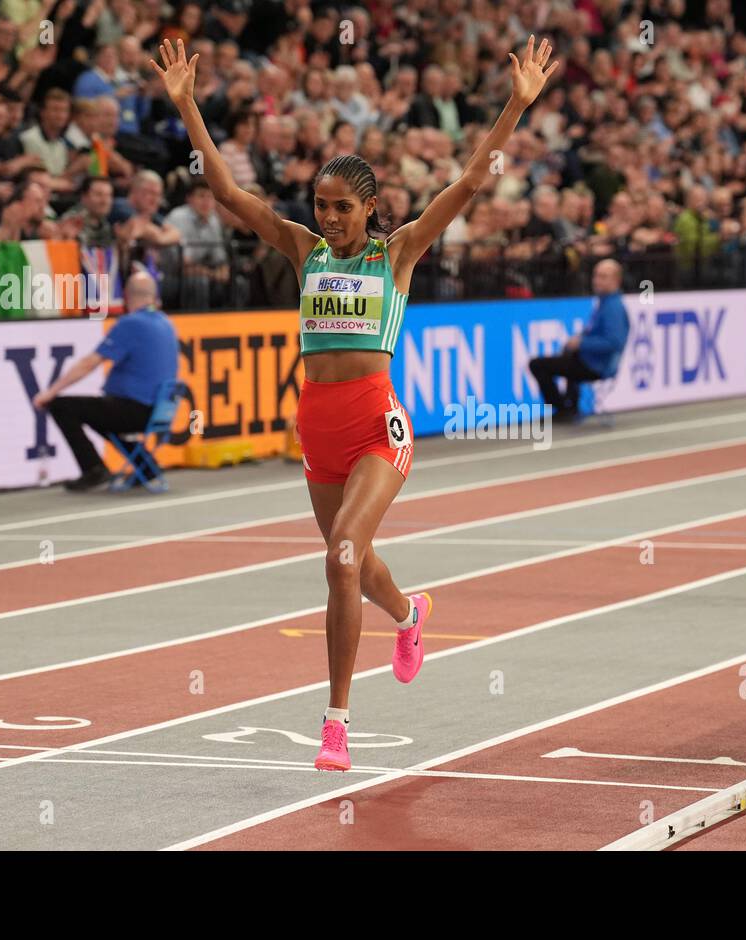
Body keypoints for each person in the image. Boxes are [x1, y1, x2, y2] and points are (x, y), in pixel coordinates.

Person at [152, 34, 558, 772]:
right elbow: (227, 192)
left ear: (370, 209)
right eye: (320, 206)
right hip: (319, 425)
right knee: (355, 559)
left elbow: (468, 181)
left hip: (378, 424)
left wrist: (515, 105)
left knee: (340, 559)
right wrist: (187, 108)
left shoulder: (396, 252)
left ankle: (335, 722)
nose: (329, 217)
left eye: (341, 207)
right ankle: (409, 613)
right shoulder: (302, 250)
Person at [34, 270, 179, 491]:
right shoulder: (165, 323)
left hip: (136, 409)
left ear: (127, 298)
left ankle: (94, 469)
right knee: (102, 414)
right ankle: (146, 466)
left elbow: (90, 363)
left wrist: (51, 391)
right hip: (159, 410)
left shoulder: (131, 324)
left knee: (63, 406)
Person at [527, 258, 629, 422]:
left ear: (616, 280)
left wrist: (582, 343)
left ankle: (562, 408)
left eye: (603, 277)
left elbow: (615, 342)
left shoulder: (613, 307)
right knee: (567, 354)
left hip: (596, 365)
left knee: (537, 364)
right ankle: (569, 407)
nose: (596, 280)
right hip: (590, 361)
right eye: (596, 275)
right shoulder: (605, 303)